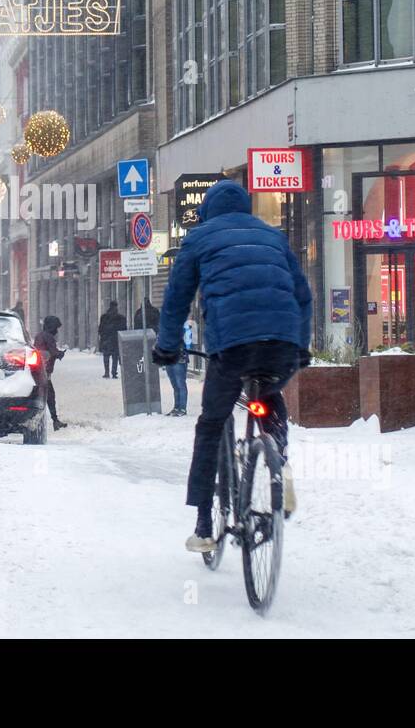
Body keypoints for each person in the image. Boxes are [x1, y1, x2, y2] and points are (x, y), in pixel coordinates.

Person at [151, 179, 312, 553]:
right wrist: (299, 347)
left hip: (233, 345)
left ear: (207, 211)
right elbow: (302, 294)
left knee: (212, 422)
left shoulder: (199, 237)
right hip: (282, 342)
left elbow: (176, 298)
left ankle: (205, 525)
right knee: (268, 395)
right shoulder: (273, 236)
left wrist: (167, 347)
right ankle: (279, 463)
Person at [33, 315, 68, 430]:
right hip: (45, 371)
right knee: (49, 396)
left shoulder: (39, 336)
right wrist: (60, 354)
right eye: (56, 328)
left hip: (38, 371)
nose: (56, 331)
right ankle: (54, 420)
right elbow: (52, 351)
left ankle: (54, 420)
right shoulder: (48, 337)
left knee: (43, 395)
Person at [164, 320, 192, 416]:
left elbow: (188, 340)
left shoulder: (184, 325)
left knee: (180, 383)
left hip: (179, 358)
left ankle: (182, 408)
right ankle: (177, 407)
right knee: (175, 384)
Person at [97, 301, 126, 378]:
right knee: (115, 357)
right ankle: (114, 372)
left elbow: (100, 329)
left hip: (106, 339)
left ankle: (106, 372)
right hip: (115, 340)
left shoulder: (104, 317)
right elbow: (123, 330)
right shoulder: (121, 318)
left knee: (106, 356)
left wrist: (103, 336)